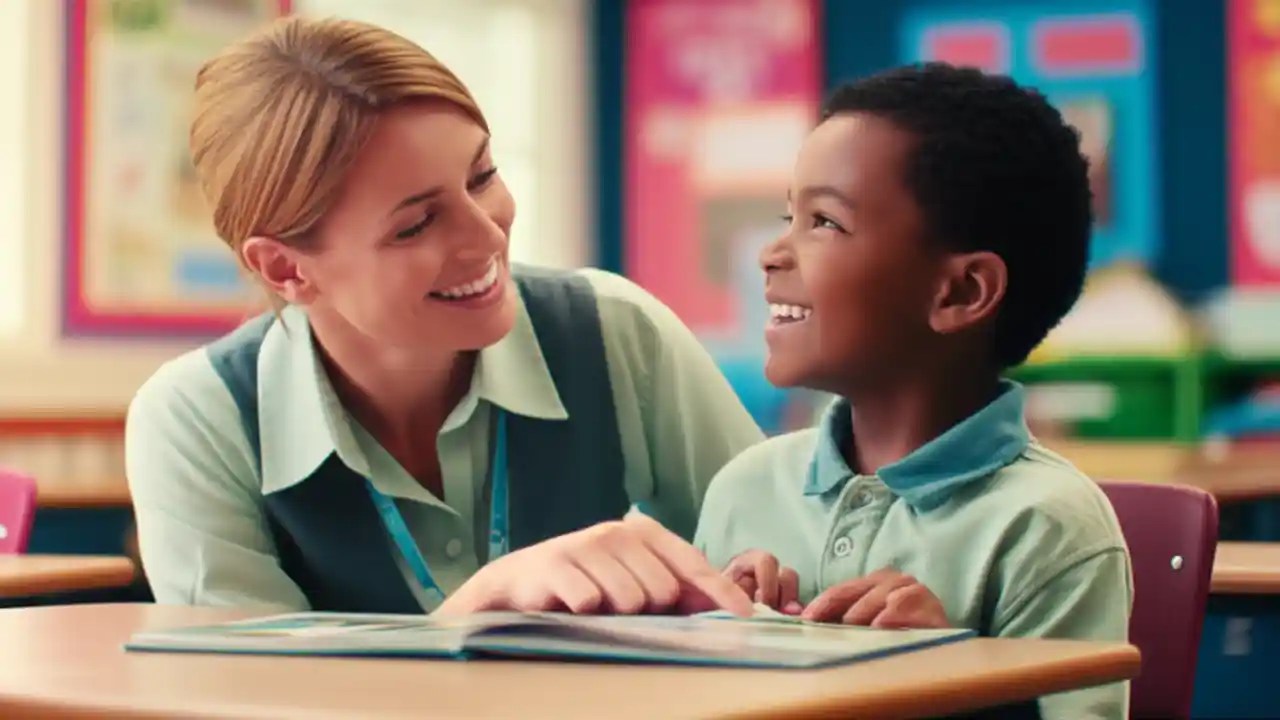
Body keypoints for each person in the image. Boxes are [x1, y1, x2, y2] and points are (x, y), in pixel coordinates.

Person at [126, 16, 758, 618]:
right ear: (286, 269)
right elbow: (238, 693)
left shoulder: (618, 331)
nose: (487, 236)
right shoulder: (199, 420)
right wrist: (479, 609)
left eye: (482, 176)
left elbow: (787, 562)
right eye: (418, 223)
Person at [693, 64, 1132, 720]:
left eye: (825, 222)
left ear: (960, 291)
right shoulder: (745, 489)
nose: (772, 252)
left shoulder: (1046, 528)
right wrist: (706, 630)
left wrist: (952, 677)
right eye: (790, 215)